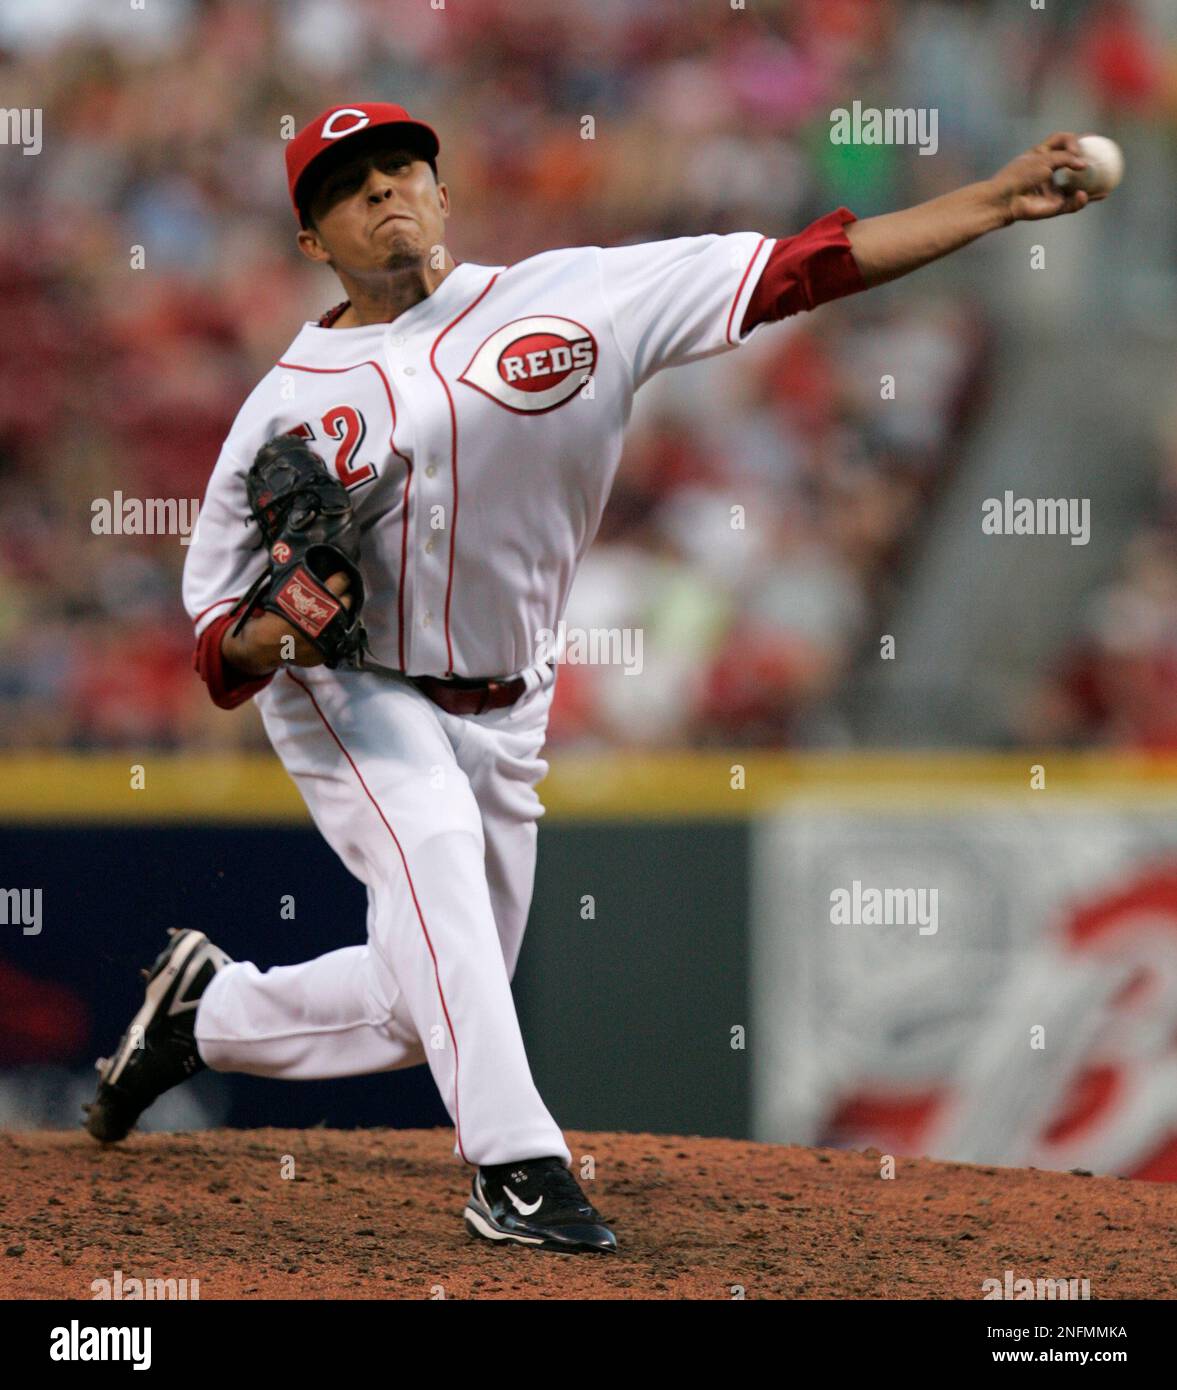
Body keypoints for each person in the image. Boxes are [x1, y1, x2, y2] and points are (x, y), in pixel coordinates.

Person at [85, 102, 1102, 1253]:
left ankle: (206, 1010)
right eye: (345, 187)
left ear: (443, 192)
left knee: (418, 1001)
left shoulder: (578, 298)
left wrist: (995, 201)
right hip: (354, 688)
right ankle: (517, 1167)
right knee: (429, 847)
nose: (382, 192)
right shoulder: (278, 406)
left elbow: (801, 267)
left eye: (402, 167)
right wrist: (287, 630)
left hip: (509, 700)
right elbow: (217, 640)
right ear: (312, 241)